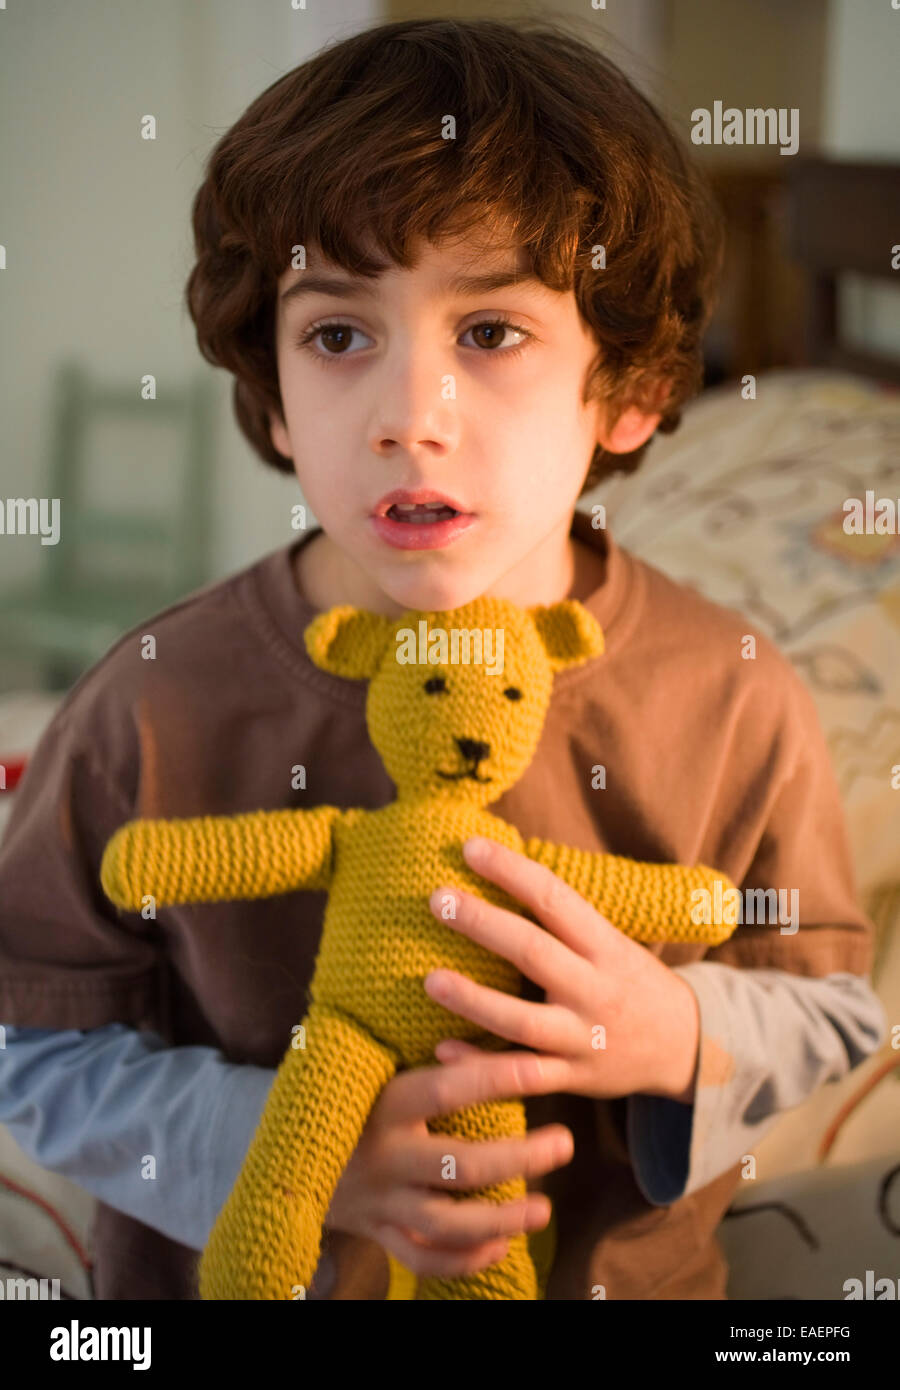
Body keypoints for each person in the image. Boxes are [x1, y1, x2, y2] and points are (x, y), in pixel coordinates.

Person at [0, 18, 886, 1301]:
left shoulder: (734, 693)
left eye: (491, 333)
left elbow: (834, 1011)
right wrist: (294, 1149)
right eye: (338, 336)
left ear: (629, 390)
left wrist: (679, 1030)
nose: (412, 418)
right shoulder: (148, 700)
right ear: (273, 389)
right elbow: (31, 1041)